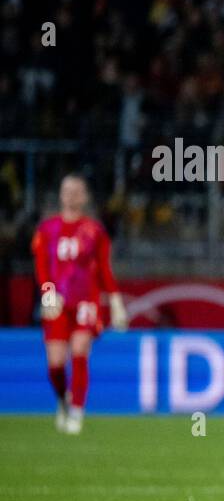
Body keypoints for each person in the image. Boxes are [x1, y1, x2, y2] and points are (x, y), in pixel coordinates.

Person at [31, 174, 128, 434]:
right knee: (55, 363)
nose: (72, 195)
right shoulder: (47, 230)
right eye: (67, 190)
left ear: (84, 197)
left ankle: (77, 411)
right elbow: (42, 267)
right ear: (61, 195)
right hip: (57, 303)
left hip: (86, 300)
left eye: (77, 191)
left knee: (80, 349)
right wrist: (48, 294)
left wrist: (116, 302)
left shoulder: (94, 231)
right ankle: (63, 400)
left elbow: (105, 270)